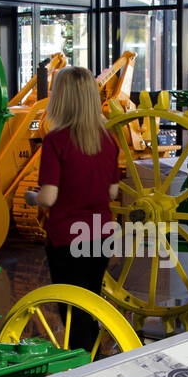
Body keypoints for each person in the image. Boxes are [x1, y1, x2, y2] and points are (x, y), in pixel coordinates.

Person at [29, 66, 120, 355]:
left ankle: (85, 362)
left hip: (67, 236)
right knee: (89, 301)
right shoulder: (108, 140)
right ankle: (95, 357)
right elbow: (112, 192)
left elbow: (49, 197)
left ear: (61, 99)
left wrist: (32, 197)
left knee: (71, 308)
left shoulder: (55, 141)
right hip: (100, 233)